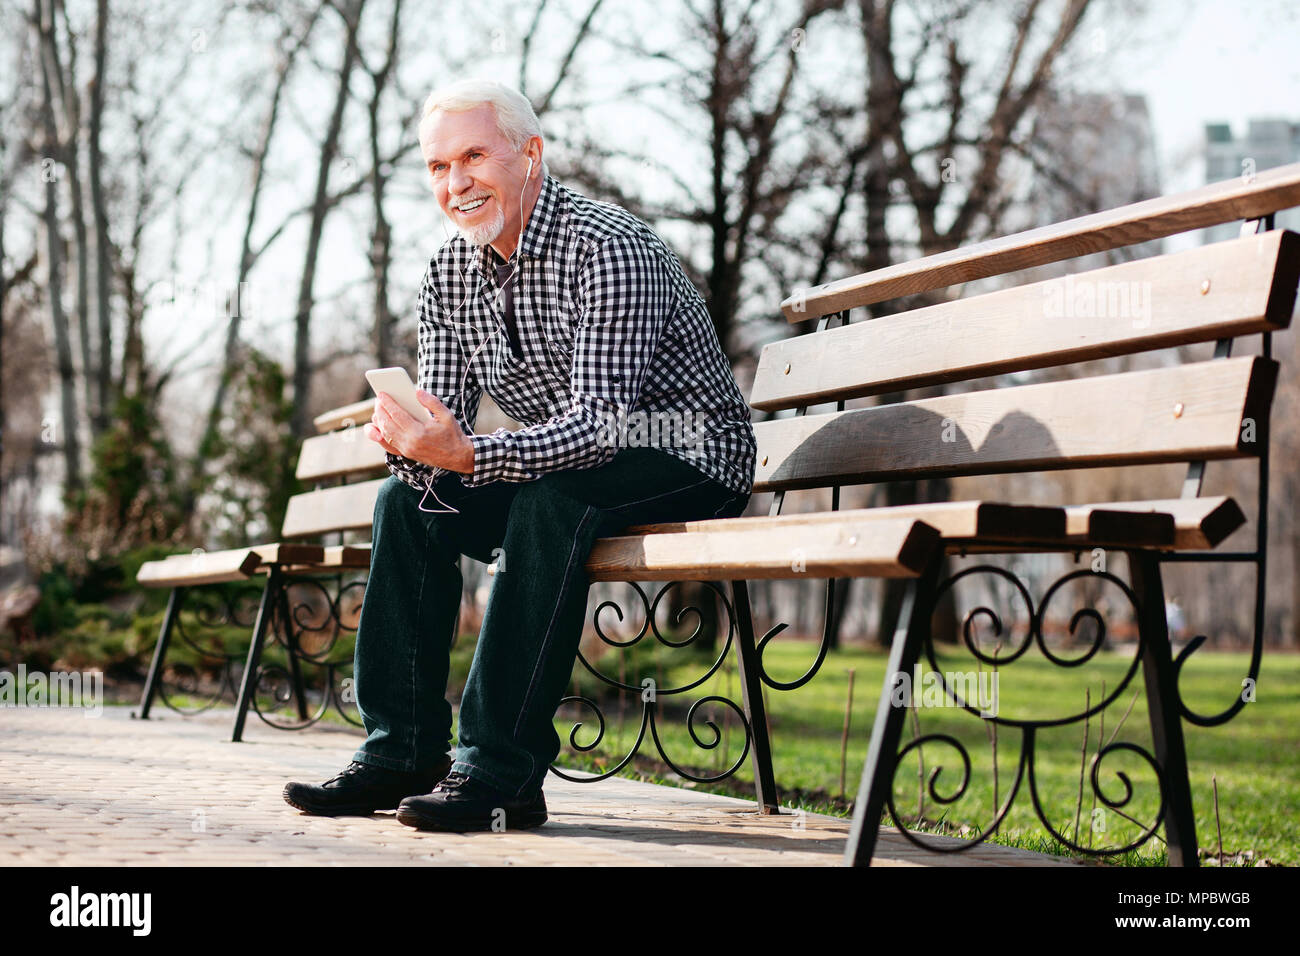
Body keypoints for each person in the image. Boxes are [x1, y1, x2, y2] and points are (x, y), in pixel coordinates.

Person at [283, 79, 756, 832]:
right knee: (407, 505)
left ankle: (499, 773)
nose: (456, 183)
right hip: (569, 464)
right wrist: (412, 445)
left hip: (687, 454)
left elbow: (599, 430)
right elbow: (448, 436)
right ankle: (399, 750)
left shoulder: (607, 248)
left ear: (531, 154)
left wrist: (464, 453)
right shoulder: (447, 275)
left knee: (548, 499)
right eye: (438, 167)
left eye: (474, 156)